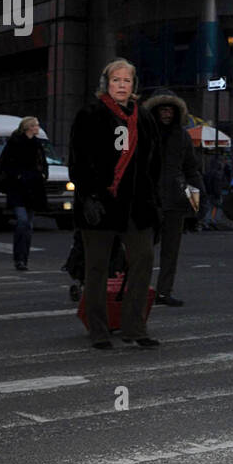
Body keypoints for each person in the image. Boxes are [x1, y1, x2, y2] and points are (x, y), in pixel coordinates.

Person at [68, 59, 161, 350]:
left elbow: (153, 163)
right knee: (96, 268)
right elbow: (78, 161)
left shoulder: (144, 118)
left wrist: (154, 202)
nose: (122, 86)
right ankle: (99, 329)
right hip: (100, 206)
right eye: (116, 80)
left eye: (127, 81)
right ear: (106, 84)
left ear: (134, 85)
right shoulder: (90, 114)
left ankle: (135, 326)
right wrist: (88, 198)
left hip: (137, 206)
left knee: (143, 261)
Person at [144, 90, 203, 306]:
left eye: (170, 109)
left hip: (175, 199)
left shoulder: (182, 136)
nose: (167, 113)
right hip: (149, 198)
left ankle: (163, 291)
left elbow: (191, 170)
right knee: (143, 250)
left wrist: (196, 201)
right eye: (163, 109)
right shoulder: (146, 133)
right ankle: (138, 289)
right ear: (155, 111)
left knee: (170, 251)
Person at [0, 116, 48, 271]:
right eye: (36, 125)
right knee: (22, 222)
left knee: (28, 225)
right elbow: (5, 163)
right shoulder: (15, 143)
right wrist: (17, 176)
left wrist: (43, 175)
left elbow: (43, 162)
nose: (38, 128)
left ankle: (23, 259)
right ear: (29, 127)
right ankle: (19, 258)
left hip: (33, 188)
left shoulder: (37, 144)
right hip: (18, 188)